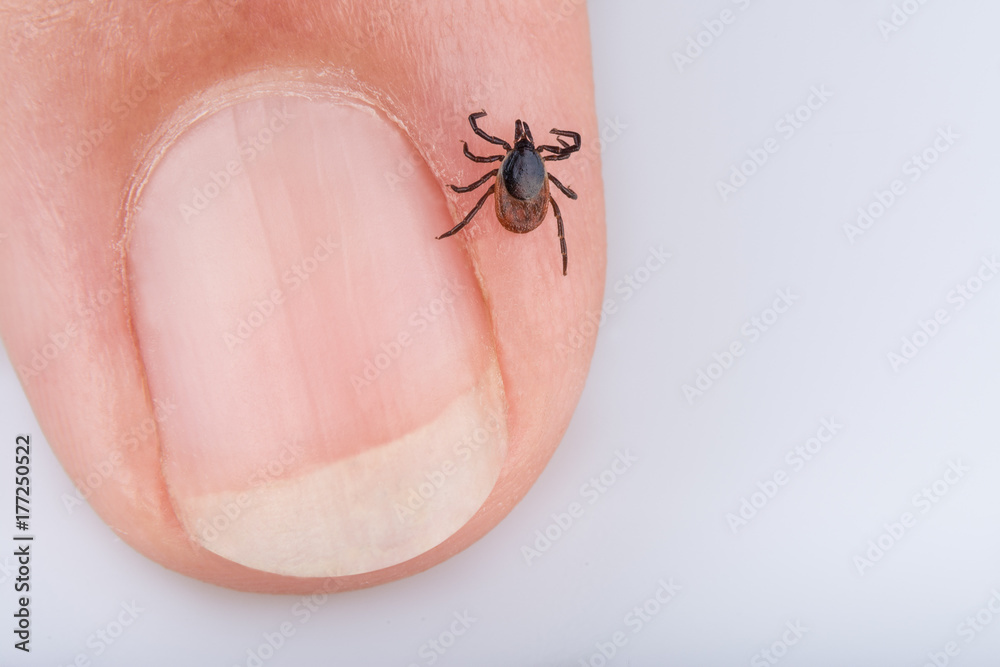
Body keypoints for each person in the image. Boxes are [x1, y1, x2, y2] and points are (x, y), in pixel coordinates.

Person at [0, 0, 605, 592]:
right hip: (522, 212)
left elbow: (479, 172)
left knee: (475, 199)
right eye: (527, 151)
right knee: (532, 215)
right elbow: (519, 182)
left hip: (507, 205)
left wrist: (476, 186)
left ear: (517, 163)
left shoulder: (503, 171)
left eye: (521, 151)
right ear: (536, 168)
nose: (522, 148)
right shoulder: (534, 179)